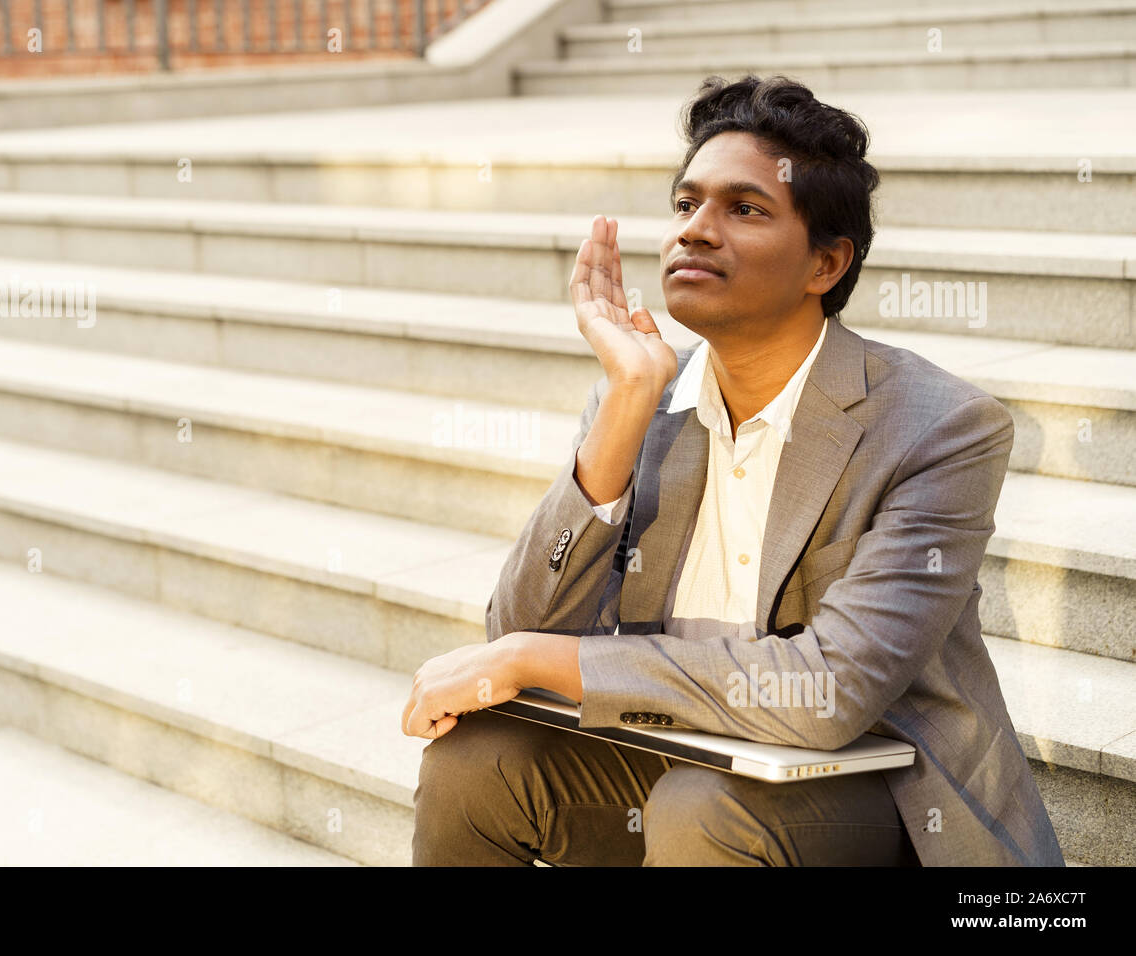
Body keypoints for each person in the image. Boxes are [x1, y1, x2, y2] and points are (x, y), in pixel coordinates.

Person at [401, 74, 1064, 867]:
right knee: (474, 765)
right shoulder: (642, 399)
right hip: (689, 757)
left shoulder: (939, 427)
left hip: (880, 798)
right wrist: (626, 403)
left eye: (743, 209)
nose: (696, 231)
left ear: (826, 263)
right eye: (686, 205)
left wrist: (534, 661)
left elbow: (827, 692)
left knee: (704, 810)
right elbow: (518, 629)